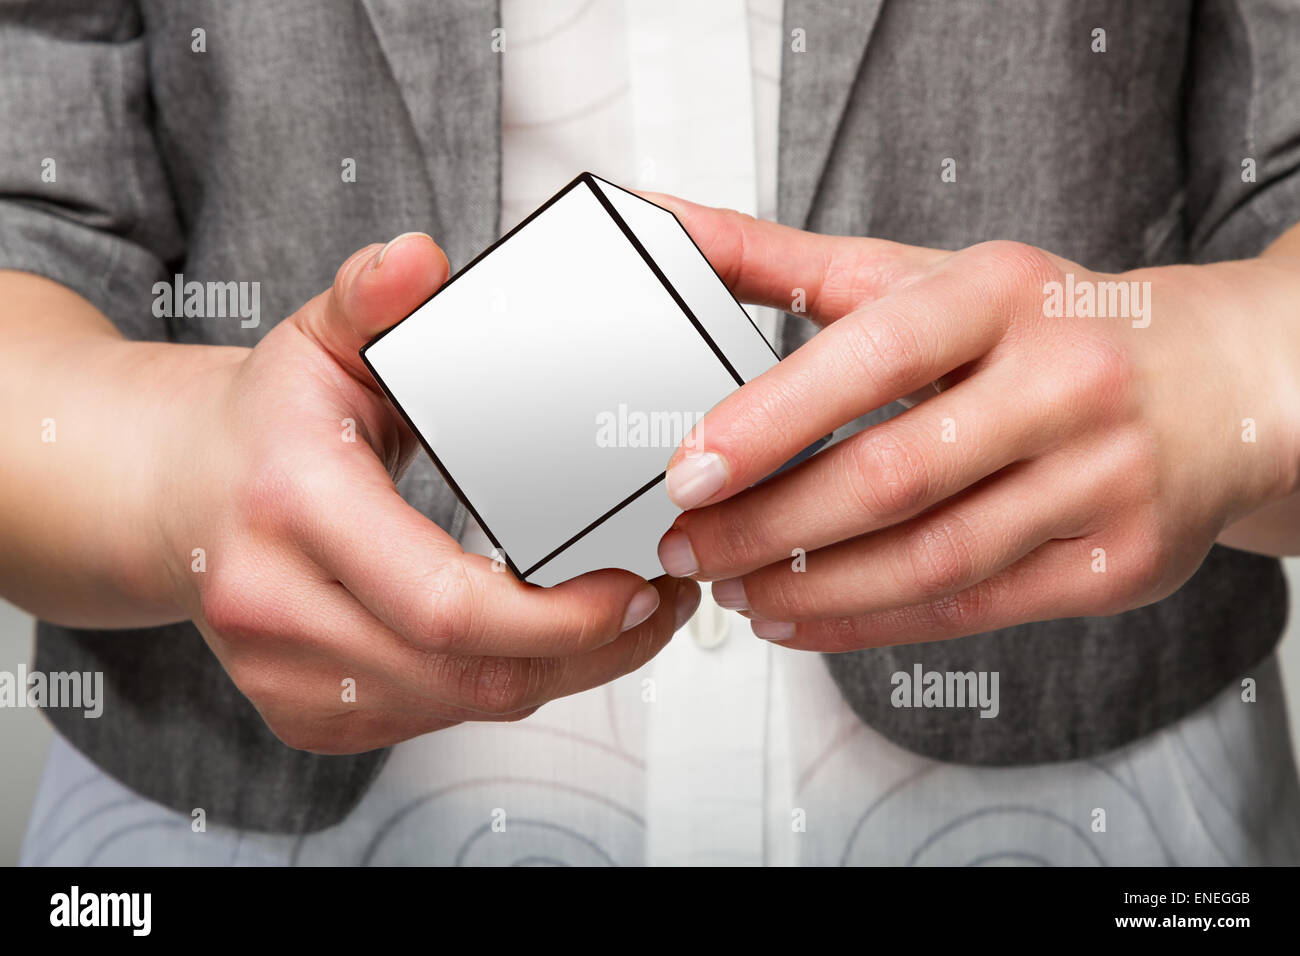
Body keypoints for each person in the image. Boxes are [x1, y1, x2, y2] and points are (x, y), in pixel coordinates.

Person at [4, 0, 1299, 865]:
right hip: (238, 814)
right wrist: (181, 476)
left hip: (1103, 809)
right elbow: (32, 219)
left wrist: (1237, 369)